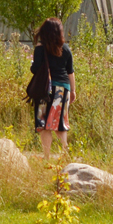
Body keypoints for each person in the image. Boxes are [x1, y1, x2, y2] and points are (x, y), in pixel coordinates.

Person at [31, 17, 76, 159]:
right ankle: (65, 150)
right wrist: (73, 91)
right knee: (60, 122)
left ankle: (46, 156)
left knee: (43, 123)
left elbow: (35, 69)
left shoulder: (40, 48)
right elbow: (70, 71)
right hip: (63, 89)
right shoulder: (66, 48)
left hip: (46, 90)